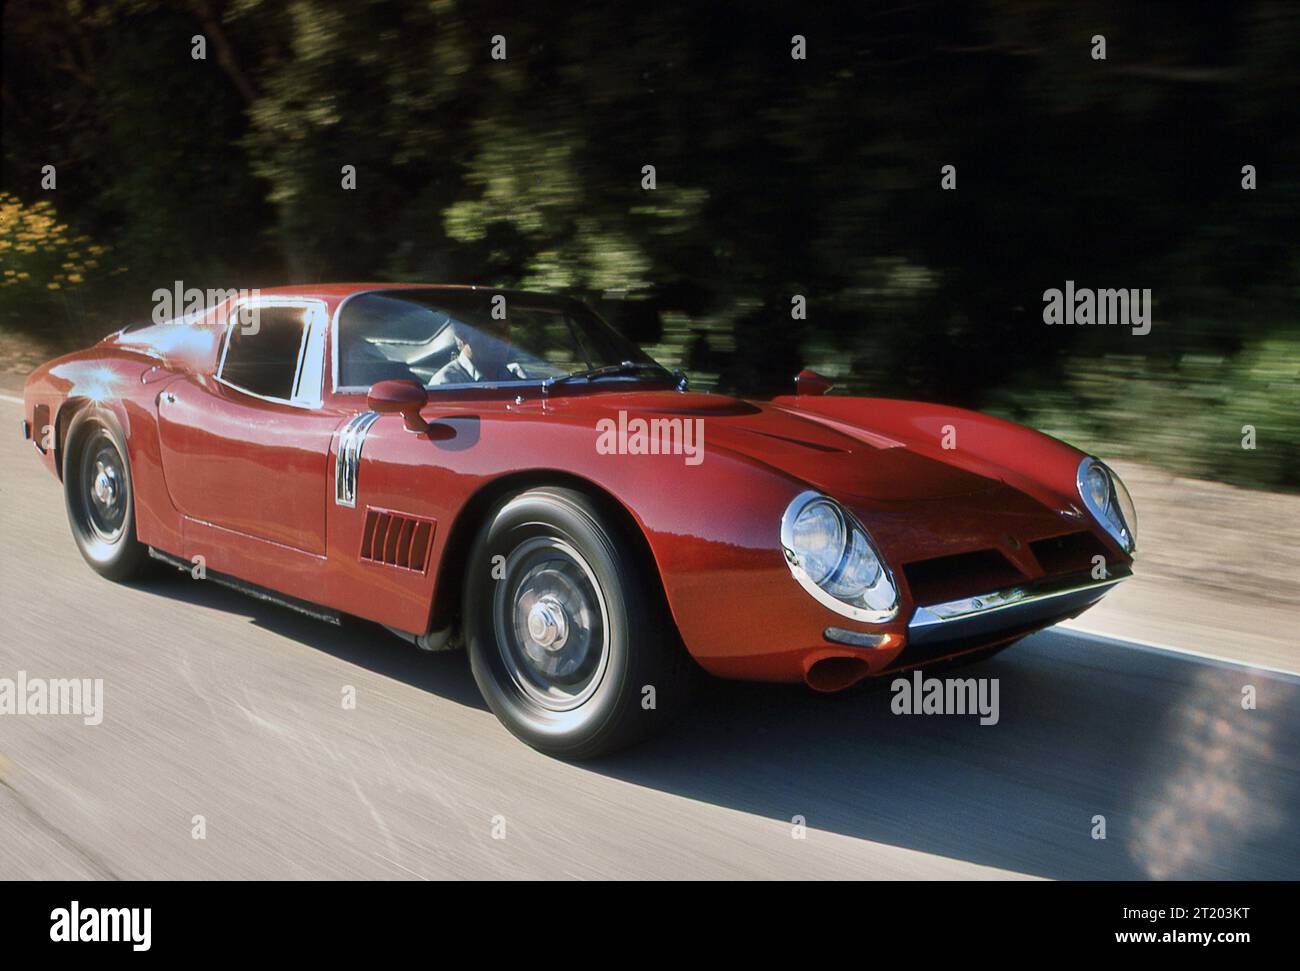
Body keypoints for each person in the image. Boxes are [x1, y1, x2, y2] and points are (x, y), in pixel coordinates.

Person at [431, 318, 516, 384]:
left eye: (506, 331)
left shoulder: (520, 376)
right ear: (462, 335)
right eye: (490, 332)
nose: (501, 340)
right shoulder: (445, 384)